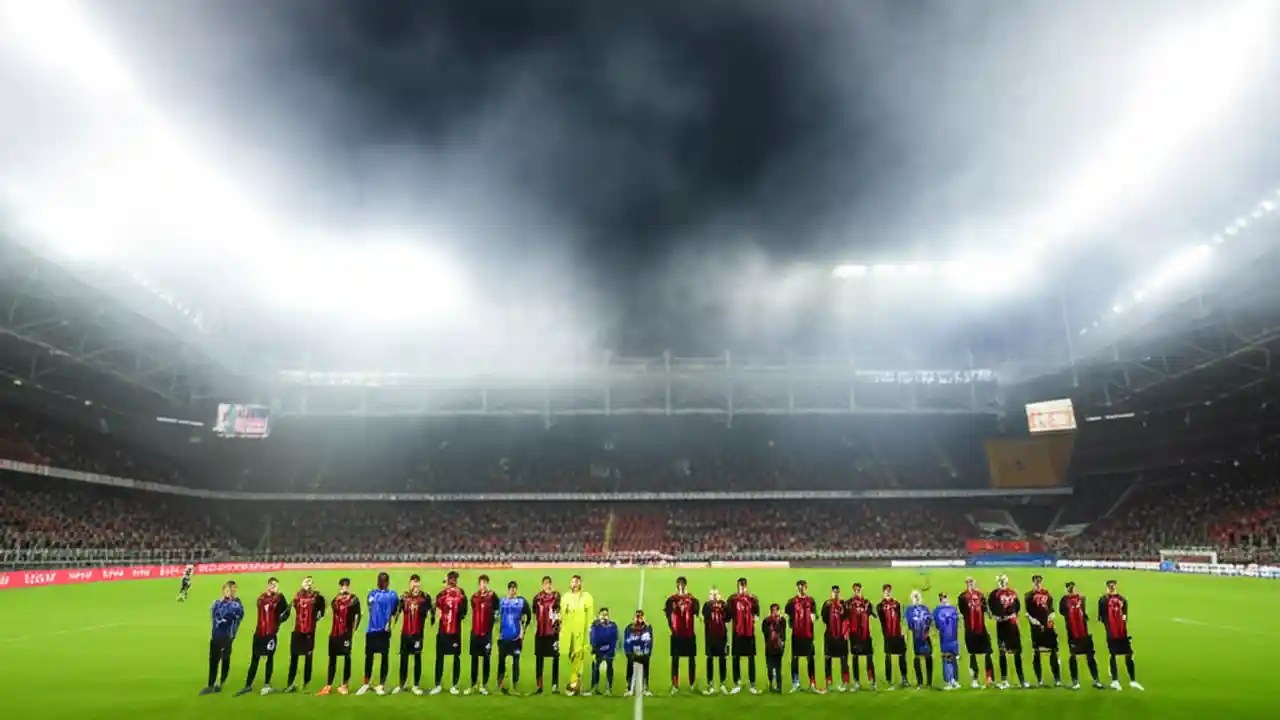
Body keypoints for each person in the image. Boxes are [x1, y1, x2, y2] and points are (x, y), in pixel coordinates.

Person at [237, 577, 290, 696]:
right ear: (267, 585)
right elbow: (265, 607)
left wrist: (279, 621)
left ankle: (267, 684)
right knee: (254, 658)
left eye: (275, 585)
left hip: (271, 634)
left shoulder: (279, 598)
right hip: (259, 633)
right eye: (271, 584)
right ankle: (248, 685)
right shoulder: (261, 598)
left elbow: (286, 610)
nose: (273, 587)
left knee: (269, 659)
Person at [357, 572, 399, 696]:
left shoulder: (392, 595)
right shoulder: (372, 594)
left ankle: (381, 684)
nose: (381, 582)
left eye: (383, 580)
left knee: (384, 657)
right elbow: (370, 608)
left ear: (387, 582)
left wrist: (390, 624)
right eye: (380, 580)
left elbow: (396, 611)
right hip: (371, 630)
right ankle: (366, 683)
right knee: (368, 657)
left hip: (383, 631)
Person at [318, 578, 362, 696]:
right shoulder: (335, 600)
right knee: (332, 659)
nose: (344, 588)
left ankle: (344, 685)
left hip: (346, 634)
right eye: (343, 586)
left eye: (346, 586)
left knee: (347, 658)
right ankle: (328, 685)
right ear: (340, 587)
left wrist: (354, 629)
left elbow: (358, 614)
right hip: (334, 633)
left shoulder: (354, 600)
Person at [201, 581, 244, 695]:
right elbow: (212, 613)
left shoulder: (236, 605)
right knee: (213, 660)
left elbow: (238, 615)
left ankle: (220, 682)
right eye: (227, 590)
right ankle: (210, 684)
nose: (228, 592)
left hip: (227, 637)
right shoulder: (217, 603)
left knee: (225, 659)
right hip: (215, 636)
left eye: (230, 590)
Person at [1099, 579, 1143, 691]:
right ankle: (1115, 680)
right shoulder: (1103, 600)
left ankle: (1133, 680)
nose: (1112, 587)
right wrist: (1109, 626)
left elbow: (1125, 615)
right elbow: (1101, 617)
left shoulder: (1122, 599)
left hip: (1122, 632)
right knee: (1113, 654)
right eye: (1110, 586)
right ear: (1107, 587)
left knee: (1129, 654)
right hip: (1111, 632)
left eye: (1113, 585)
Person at [1059, 581, 1104, 690]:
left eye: (1072, 587)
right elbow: (1062, 612)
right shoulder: (1064, 600)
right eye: (1069, 588)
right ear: (1066, 589)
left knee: (1090, 656)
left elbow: (1083, 612)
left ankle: (1096, 680)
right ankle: (1075, 681)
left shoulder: (1081, 598)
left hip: (1084, 632)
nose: (1071, 589)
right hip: (1072, 633)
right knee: (1073, 657)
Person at [285, 576, 325, 693]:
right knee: (294, 657)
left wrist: (318, 617)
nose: (308, 584)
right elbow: (290, 609)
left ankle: (306, 684)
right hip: (297, 631)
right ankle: (290, 683)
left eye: (310, 582)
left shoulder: (316, 596)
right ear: (302, 583)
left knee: (308, 658)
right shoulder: (297, 596)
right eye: (305, 581)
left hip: (309, 631)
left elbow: (322, 608)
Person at [392, 574, 430, 695]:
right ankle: (402, 684)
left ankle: (416, 685)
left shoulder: (424, 598)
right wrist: (392, 624)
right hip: (406, 633)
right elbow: (397, 612)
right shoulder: (404, 597)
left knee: (417, 658)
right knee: (404, 659)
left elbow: (429, 611)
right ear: (410, 584)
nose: (415, 585)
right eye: (413, 582)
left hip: (418, 634)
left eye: (417, 582)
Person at [431, 570, 468, 695]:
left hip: (455, 631)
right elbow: (435, 608)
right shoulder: (442, 593)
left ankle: (454, 685)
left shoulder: (461, 594)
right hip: (442, 630)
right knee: (439, 658)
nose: (452, 581)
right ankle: (437, 684)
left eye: (454, 579)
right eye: (450, 578)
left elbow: (464, 611)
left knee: (456, 657)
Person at [988, 574, 1028, 689]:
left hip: (1012, 625)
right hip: (1002, 626)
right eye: (1000, 581)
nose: (1002, 583)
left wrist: (1013, 615)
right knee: (1002, 652)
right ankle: (1004, 680)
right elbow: (990, 608)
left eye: (1004, 581)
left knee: (1017, 653)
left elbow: (1018, 607)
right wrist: (995, 616)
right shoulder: (994, 594)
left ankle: (1021, 680)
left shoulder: (1012, 593)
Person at [664, 576, 700, 695]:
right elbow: (668, 614)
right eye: (678, 585)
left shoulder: (692, 599)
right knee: (675, 660)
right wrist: (673, 627)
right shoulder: (671, 600)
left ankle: (692, 684)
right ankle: (675, 685)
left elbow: (696, 611)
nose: (680, 587)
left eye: (682, 585)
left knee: (691, 660)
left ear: (685, 585)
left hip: (689, 634)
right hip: (676, 635)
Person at [496, 580, 533, 695]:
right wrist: (497, 631)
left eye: (514, 588)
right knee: (501, 660)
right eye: (511, 588)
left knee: (516, 661)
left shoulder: (521, 602)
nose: (512, 590)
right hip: (503, 636)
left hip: (516, 637)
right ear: (508, 590)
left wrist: (523, 631)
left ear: (516, 589)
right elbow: (496, 617)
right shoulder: (502, 602)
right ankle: (501, 684)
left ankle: (514, 684)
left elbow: (528, 616)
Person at [1025, 574, 1061, 687]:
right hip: (1036, 628)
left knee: (1054, 651)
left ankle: (1057, 679)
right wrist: (1034, 621)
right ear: (1033, 583)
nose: (1038, 584)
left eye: (1039, 582)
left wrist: (1051, 617)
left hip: (1048, 627)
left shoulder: (1047, 594)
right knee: (1036, 653)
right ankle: (1039, 679)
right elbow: (1028, 613)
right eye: (1036, 582)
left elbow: (1052, 609)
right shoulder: (1028, 595)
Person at [561, 574, 595, 695]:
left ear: (580, 583)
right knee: (571, 659)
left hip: (581, 634)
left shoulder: (586, 597)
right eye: (572, 582)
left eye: (576, 582)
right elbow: (562, 616)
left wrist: (589, 633)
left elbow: (590, 617)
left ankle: (574, 686)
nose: (573, 584)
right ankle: (575, 685)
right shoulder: (565, 597)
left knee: (578, 659)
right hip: (568, 634)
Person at [726, 577, 761, 694]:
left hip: (749, 633)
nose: (742, 588)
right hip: (737, 633)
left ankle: (752, 684)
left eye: (744, 585)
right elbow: (727, 616)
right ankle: (737, 683)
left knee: (751, 658)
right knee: (736, 658)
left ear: (746, 586)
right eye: (740, 586)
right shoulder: (732, 599)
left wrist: (754, 619)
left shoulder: (753, 599)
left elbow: (757, 613)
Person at [466, 574, 500, 695]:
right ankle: (473, 684)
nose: (483, 585)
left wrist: (494, 618)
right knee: (474, 659)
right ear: (479, 584)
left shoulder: (492, 596)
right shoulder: (474, 597)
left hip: (486, 633)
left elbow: (498, 608)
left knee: (486, 659)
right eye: (482, 582)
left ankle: (483, 685)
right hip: (475, 633)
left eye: (485, 582)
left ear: (487, 584)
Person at [784, 579, 820, 693]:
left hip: (808, 635)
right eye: (799, 587)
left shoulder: (811, 601)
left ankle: (812, 683)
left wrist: (813, 617)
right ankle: (795, 683)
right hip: (797, 635)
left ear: (806, 588)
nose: (801, 589)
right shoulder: (791, 602)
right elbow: (788, 613)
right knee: (795, 658)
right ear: (796, 588)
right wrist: (792, 623)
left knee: (810, 659)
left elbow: (815, 615)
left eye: (803, 587)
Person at [958, 576, 994, 688]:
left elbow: (986, 609)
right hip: (970, 629)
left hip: (981, 629)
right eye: (968, 582)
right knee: (972, 654)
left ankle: (989, 678)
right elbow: (962, 611)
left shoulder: (981, 595)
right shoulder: (962, 597)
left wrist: (989, 611)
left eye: (972, 582)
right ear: (966, 583)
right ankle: (974, 679)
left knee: (988, 652)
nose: (970, 584)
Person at [532, 576, 562, 694]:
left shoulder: (556, 596)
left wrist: (559, 626)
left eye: (549, 583)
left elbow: (559, 611)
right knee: (539, 659)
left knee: (555, 658)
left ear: (551, 584)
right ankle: (539, 686)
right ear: (542, 585)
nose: (547, 586)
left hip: (553, 632)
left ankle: (555, 685)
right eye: (545, 583)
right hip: (540, 632)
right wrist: (535, 627)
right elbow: (534, 614)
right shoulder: (537, 598)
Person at [845, 582, 876, 690]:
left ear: (861, 589)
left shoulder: (867, 603)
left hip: (865, 634)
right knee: (855, 658)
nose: (857, 591)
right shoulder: (848, 603)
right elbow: (843, 617)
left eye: (859, 589)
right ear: (853, 590)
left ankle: (872, 681)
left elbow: (873, 613)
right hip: (854, 635)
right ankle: (857, 682)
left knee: (869, 657)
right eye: (855, 589)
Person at [877, 583, 909, 689]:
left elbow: (900, 617)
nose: (888, 593)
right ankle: (889, 679)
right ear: (883, 592)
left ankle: (904, 678)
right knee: (888, 656)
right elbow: (882, 620)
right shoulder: (880, 606)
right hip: (888, 634)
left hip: (898, 633)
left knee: (902, 655)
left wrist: (902, 630)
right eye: (886, 591)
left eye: (889, 591)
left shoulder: (896, 604)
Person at [701, 587, 730, 694]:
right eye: (711, 594)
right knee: (710, 659)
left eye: (715, 594)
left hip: (722, 636)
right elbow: (705, 615)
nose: (713, 596)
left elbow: (728, 618)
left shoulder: (723, 605)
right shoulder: (707, 606)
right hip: (710, 637)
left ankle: (722, 683)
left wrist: (721, 606)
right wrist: (713, 604)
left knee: (723, 659)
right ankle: (710, 684)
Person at [821, 585, 850, 692]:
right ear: (831, 593)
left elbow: (847, 618)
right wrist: (827, 608)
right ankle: (828, 682)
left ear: (839, 593)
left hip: (841, 636)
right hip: (830, 635)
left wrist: (846, 632)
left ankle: (845, 682)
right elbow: (824, 618)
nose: (835, 594)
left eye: (837, 592)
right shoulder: (827, 604)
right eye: (834, 592)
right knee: (828, 658)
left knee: (843, 659)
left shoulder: (843, 604)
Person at [622, 609, 654, 698]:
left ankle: (646, 687)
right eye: (637, 617)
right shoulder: (629, 628)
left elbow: (649, 642)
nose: (638, 619)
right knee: (630, 662)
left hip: (643, 653)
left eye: (640, 617)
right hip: (632, 653)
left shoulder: (647, 628)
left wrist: (645, 652)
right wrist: (629, 653)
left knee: (646, 661)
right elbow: (626, 642)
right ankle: (629, 687)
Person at [905, 590, 933, 689]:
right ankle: (920, 682)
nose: (916, 599)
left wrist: (927, 630)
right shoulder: (909, 610)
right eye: (914, 597)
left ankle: (929, 682)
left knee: (928, 656)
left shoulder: (925, 608)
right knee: (917, 657)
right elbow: (909, 624)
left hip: (925, 636)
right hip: (916, 636)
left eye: (917, 597)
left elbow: (930, 620)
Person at [588, 607, 619, 696]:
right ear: (599, 616)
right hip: (598, 651)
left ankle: (609, 688)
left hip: (609, 650)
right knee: (595, 666)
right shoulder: (595, 625)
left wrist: (609, 652)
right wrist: (595, 651)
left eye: (606, 615)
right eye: (602, 615)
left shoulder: (613, 625)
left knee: (609, 665)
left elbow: (614, 639)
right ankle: (594, 687)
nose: (604, 617)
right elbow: (593, 640)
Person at [933, 592, 961, 690]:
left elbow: (937, 625)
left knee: (951, 659)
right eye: (942, 598)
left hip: (948, 637)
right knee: (949, 658)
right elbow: (957, 621)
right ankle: (951, 680)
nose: (943, 600)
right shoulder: (953, 609)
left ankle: (952, 680)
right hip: (950, 637)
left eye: (944, 598)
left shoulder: (938, 610)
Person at [762, 603, 787, 693]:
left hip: (778, 648)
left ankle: (779, 686)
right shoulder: (767, 621)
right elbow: (765, 633)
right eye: (774, 611)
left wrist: (782, 644)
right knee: (770, 668)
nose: (776, 612)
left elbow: (783, 633)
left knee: (778, 667)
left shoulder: (782, 620)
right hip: (769, 647)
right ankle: (771, 684)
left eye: (777, 610)